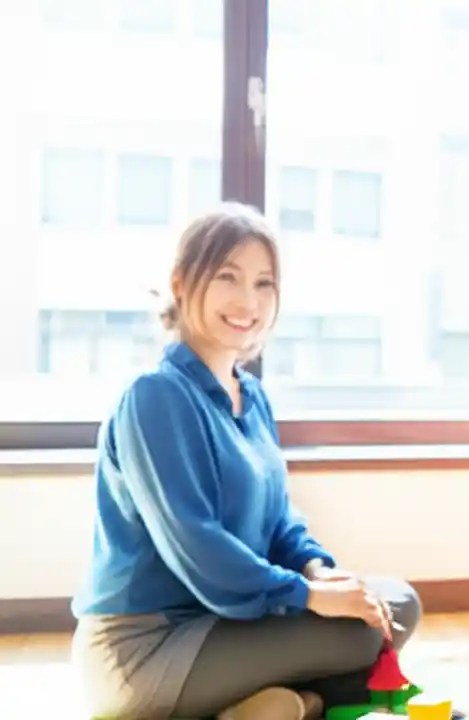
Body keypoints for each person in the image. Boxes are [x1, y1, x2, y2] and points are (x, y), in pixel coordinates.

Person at [69, 203, 423, 720]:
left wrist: (320, 572)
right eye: (227, 277)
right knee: (355, 634)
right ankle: (298, 704)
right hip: (146, 649)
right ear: (182, 282)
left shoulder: (251, 397)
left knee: (392, 604)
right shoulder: (155, 396)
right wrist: (306, 597)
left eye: (264, 284)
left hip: (225, 624)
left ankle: (274, 708)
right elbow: (198, 546)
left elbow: (279, 522)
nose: (247, 301)